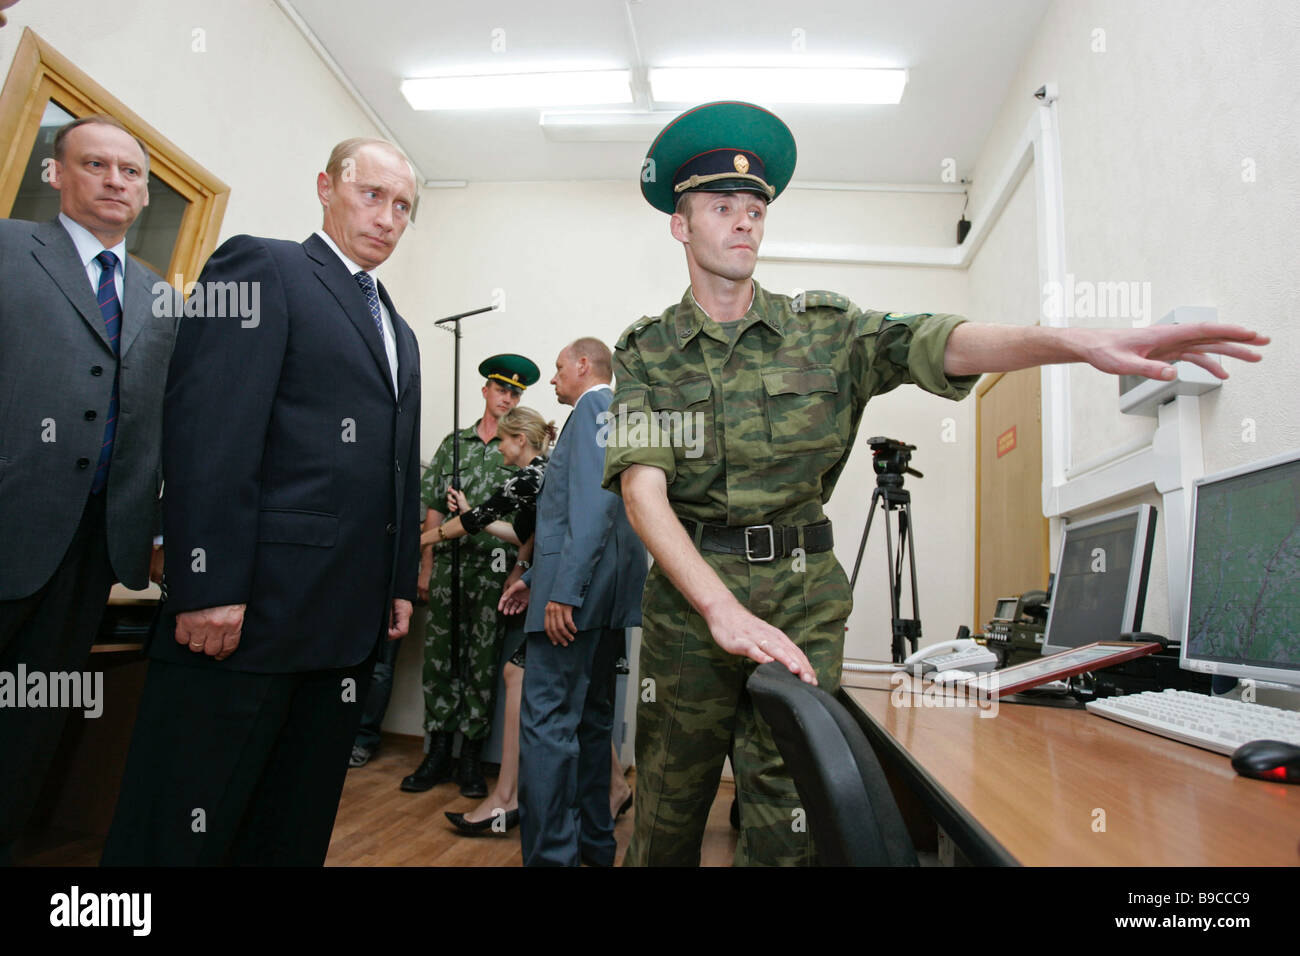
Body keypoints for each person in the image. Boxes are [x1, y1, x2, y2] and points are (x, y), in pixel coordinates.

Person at [601, 100, 1270, 866]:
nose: (745, 221)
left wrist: (1076, 343)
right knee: (666, 805)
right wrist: (718, 609)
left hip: (801, 591)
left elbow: (938, 340)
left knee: (789, 812)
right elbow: (642, 494)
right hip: (693, 600)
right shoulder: (649, 349)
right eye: (721, 206)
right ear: (681, 226)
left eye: (755, 207)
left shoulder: (828, 329)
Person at [101, 136, 422, 866]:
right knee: (184, 818)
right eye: (372, 195)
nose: (387, 218)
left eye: (402, 206)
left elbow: (398, 472)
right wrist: (206, 584)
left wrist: (397, 583)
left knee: (288, 825)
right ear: (325, 187)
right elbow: (210, 429)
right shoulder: (265, 267)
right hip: (250, 614)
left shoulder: (398, 329)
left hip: (343, 628)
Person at [0, 115, 171, 865]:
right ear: (55, 175)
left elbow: (164, 424)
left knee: (31, 724)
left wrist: (161, 532)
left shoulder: (158, 295)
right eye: (96, 165)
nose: (115, 182)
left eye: (130, 173)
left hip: (90, 552)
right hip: (8, 527)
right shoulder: (8, 251)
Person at [505, 338, 648, 866]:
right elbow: (599, 517)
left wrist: (563, 590)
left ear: (584, 365)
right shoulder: (620, 411)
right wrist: (539, 574)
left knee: (547, 730)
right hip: (604, 603)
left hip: (576, 604)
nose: (553, 378)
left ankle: (551, 858)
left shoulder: (593, 407)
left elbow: (595, 505)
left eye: (559, 367)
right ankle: (593, 847)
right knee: (591, 728)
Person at [404, 354, 540, 797]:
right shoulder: (455, 444)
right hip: (449, 569)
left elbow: (526, 527)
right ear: (485, 391)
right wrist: (425, 564)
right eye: (501, 389)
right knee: (440, 660)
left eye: (516, 393)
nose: (507, 397)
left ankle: (469, 761)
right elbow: (433, 507)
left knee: (482, 667)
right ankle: (437, 753)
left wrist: (518, 570)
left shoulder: (522, 451)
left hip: (493, 575)